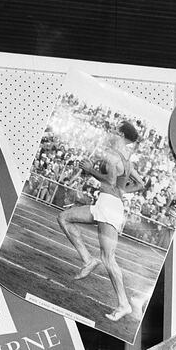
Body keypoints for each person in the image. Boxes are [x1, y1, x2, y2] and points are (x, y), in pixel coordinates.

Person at [57, 118, 145, 324]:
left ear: (122, 135)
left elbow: (111, 181)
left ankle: (124, 304)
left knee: (108, 258)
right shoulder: (127, 160)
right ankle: (88, 260)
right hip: (107, 204)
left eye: (116, 129)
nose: (112, 131)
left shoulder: (114, 156)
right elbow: (140, 184)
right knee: (64, 218)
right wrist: (122, 191)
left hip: (109, 207)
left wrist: (90, 170)